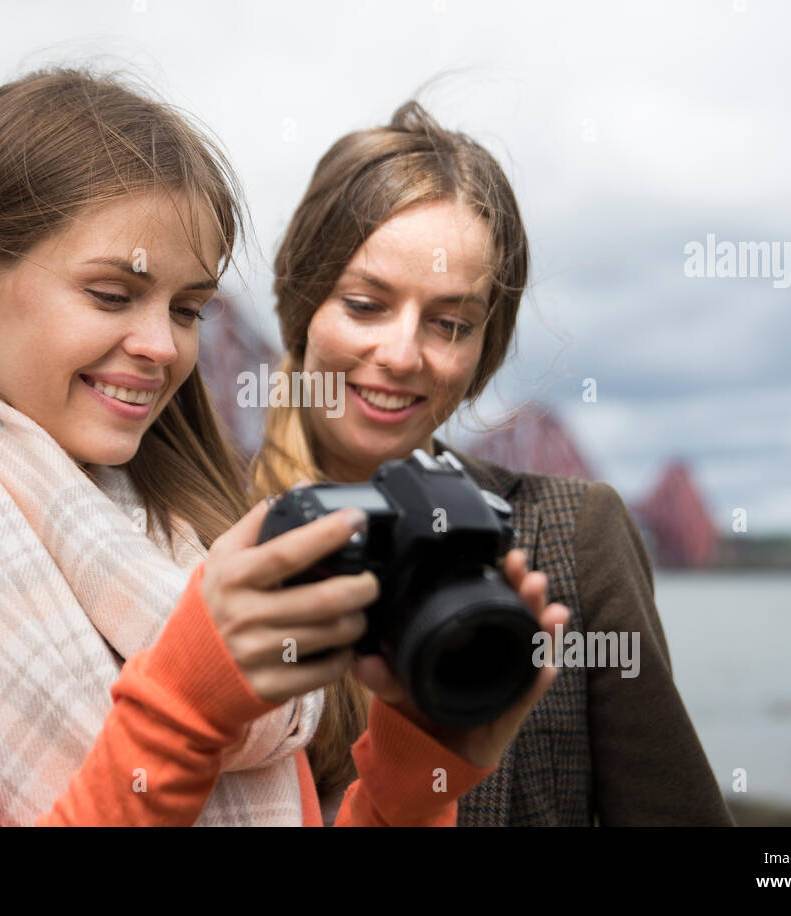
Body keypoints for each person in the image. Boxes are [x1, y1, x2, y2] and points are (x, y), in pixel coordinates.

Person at [0, 67, 566, 826]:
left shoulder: (199, 538)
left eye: (187, 308)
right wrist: (185, 707)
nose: (162, 348)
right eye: (112, 293)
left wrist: (417, 778)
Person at [250, 99, 735, 826]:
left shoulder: (571, 535)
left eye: (450, 323)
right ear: (300, 305)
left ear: (483, 352)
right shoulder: (198, 536)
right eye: (364, 304)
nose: (403, 355)